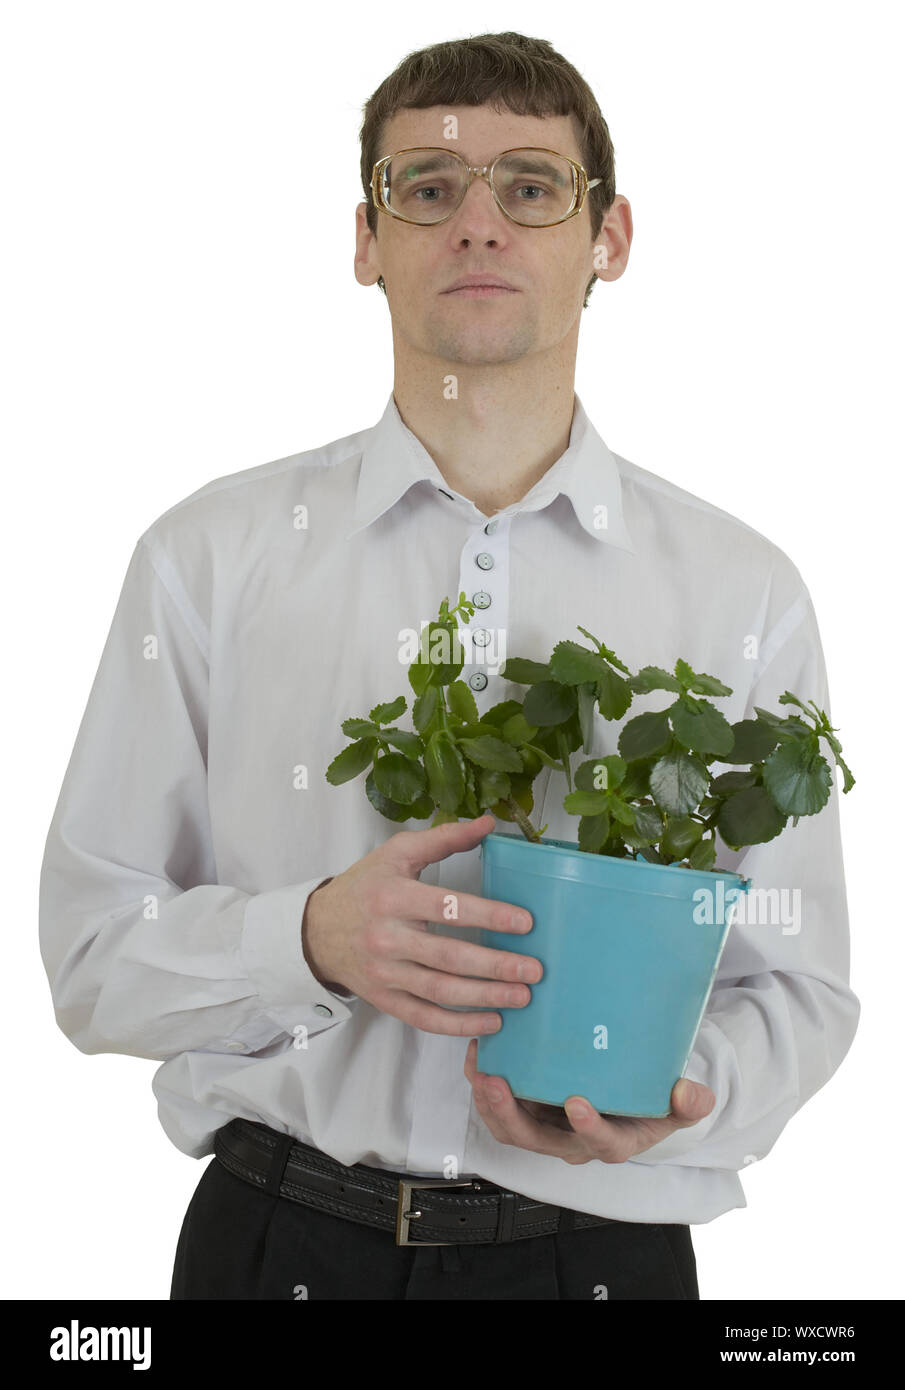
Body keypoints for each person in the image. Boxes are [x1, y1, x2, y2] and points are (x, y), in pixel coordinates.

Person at [39, 30, 859, 1301]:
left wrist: (688, 1099)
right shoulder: (207, 556)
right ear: (365, 242)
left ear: (610, 239)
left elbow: (792, 973)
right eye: (425, 187)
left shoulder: (740, 588)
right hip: (276, 1250)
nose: (477, 221)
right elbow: (90, 955)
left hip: (600, 1255)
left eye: (530, 185)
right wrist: (305, 937)